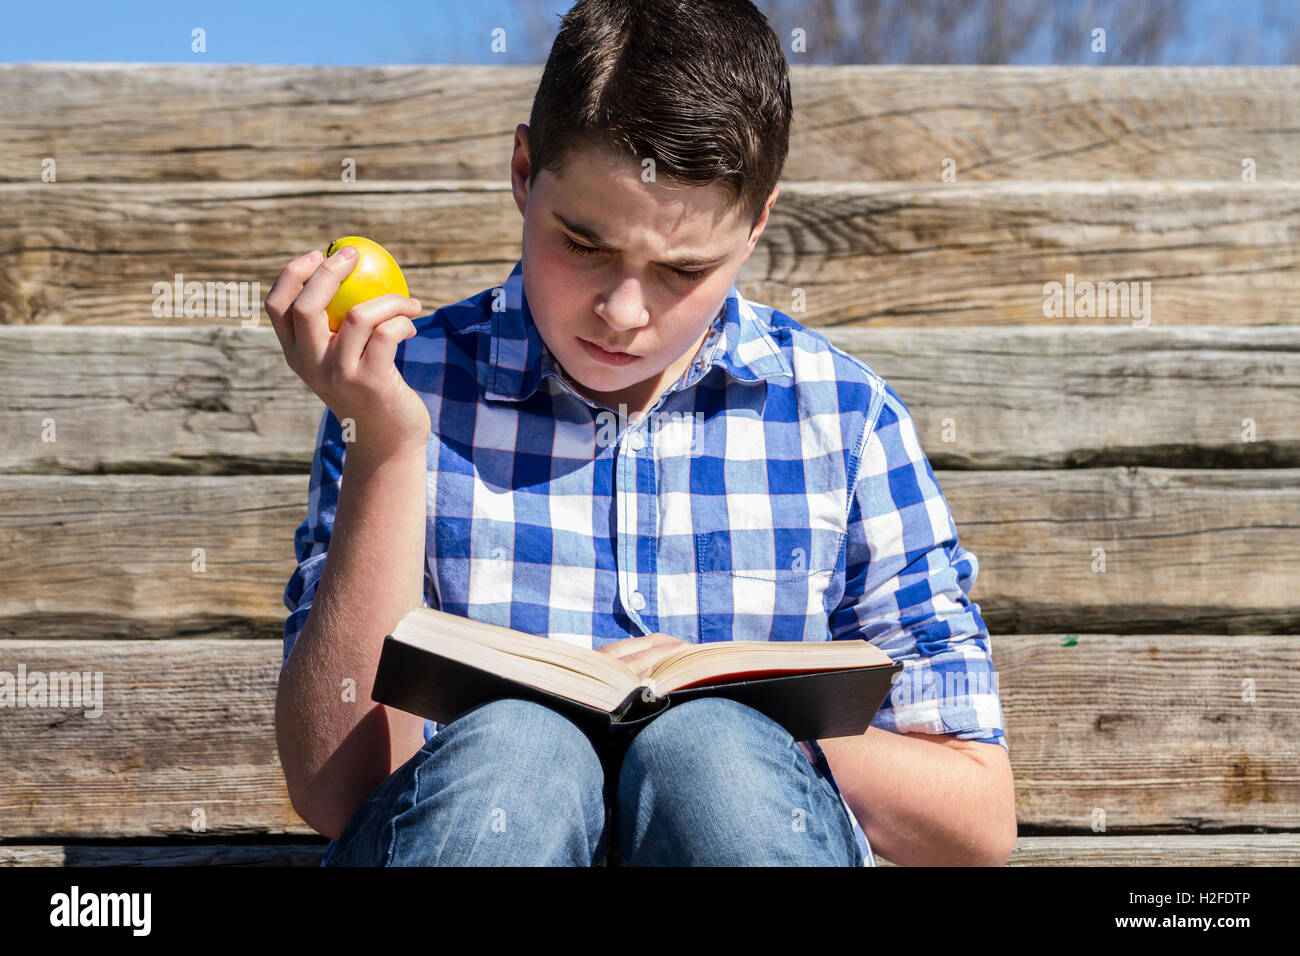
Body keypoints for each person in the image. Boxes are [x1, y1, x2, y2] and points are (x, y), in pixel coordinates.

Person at [270, 0, 1015, 867]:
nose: (623, 313)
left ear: (758, 223)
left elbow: (974, 820)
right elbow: (334, 790)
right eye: (584, 244)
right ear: (522, 170)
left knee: (712, 755)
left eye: (683, 269)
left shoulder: (842, 418)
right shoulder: (401, 389)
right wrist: (388, 447)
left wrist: (747, 708)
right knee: (519, 749)